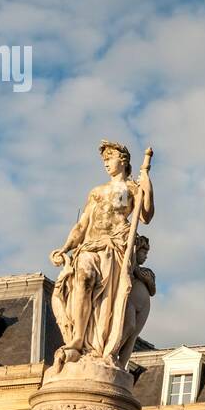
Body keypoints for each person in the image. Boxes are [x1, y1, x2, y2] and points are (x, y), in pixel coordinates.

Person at [50, 141, 154, 366]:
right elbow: (82, 224)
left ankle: (98, 344)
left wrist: (147, 187)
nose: (106, 163)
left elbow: (145, 216)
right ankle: (78, 337)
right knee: (83, 278)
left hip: (113, 249)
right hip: (90, 246)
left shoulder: (131, 188)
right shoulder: (97, 192)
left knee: (106, 302)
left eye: (110, 158)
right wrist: (66, 247)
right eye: (104, 160)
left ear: (123, 161)